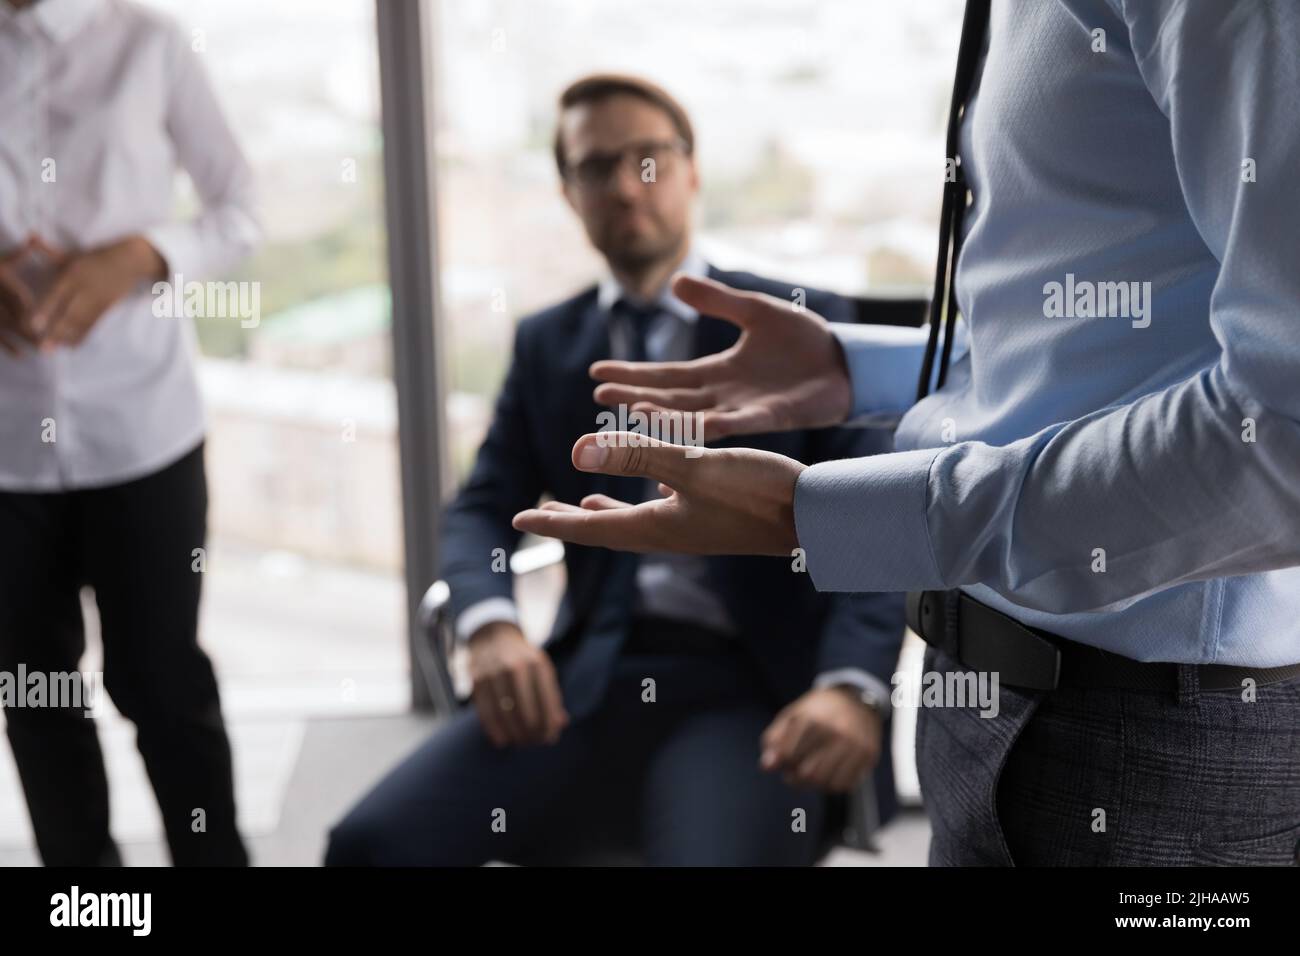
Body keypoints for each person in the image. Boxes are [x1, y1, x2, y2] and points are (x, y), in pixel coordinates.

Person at [512, 0, 1300, 866]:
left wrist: (820, 519)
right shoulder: (546, 337)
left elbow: (1281, 435)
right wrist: (859, 371)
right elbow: (1095, 344)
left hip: (1150, 744)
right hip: (987, 692)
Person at [326, 74, 906, 866]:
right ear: (568, 192)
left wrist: (851, 686)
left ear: (693, 169)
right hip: (588, 677)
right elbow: (480, 507)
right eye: (596, 168)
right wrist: (491, 625)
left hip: (752, 687)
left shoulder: (796, 327)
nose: (626, 189)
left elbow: (873, 521)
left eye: (649, 159)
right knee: (369, 847)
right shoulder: (548, 343)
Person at [0, 0, 259, 865]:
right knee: (35, 701)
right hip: (4, 451)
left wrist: (143, 254)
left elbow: (240, 211)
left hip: (143, 432)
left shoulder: (150, 42)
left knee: (162, 685)